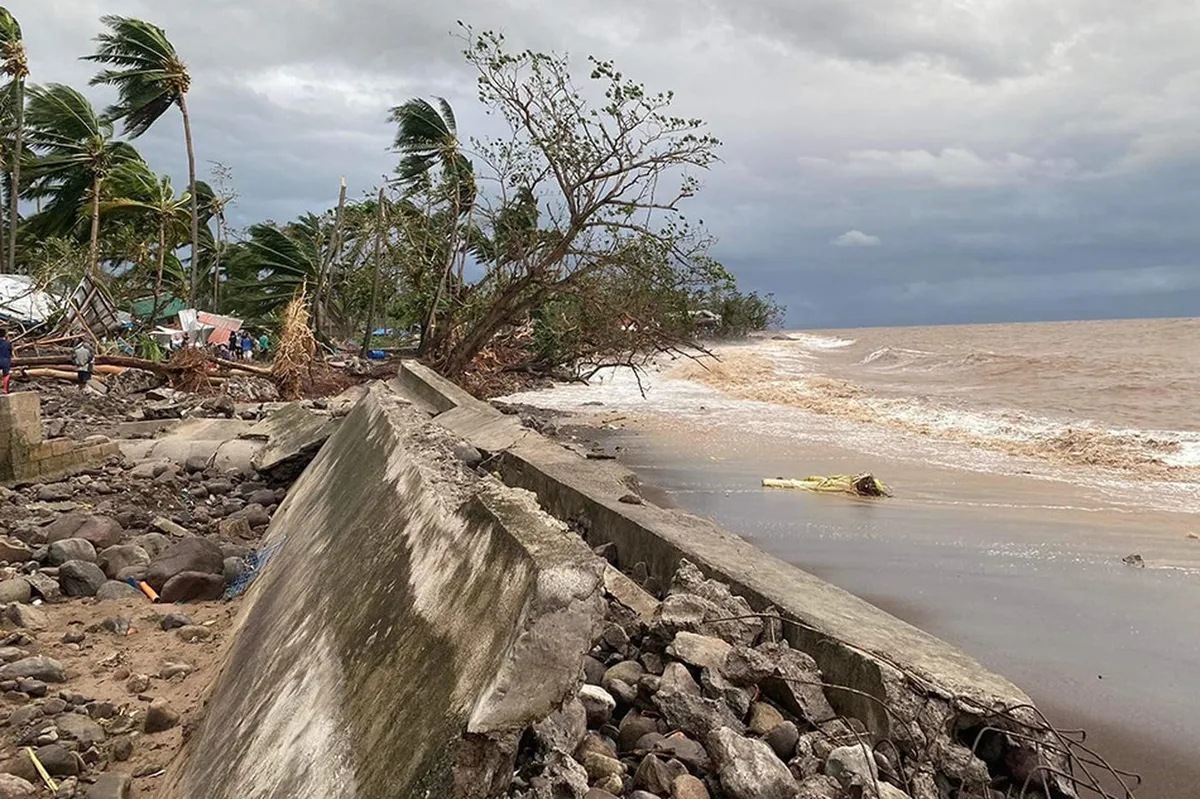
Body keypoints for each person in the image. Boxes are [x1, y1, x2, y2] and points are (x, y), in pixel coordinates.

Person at [0, 329, 13, 395]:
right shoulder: (8, 343)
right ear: (5, 335)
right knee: (6, 375)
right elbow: (10, 352)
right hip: (5, 360)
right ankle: (5, 390)